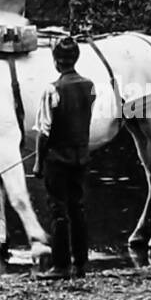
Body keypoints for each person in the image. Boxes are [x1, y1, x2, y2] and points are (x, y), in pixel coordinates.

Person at [31, 36, 96, 279]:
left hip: (58, 160)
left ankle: (60, 266)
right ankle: (80, 263)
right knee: (77, 208)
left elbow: (44, 131)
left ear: (56, 61)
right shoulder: (90, 86)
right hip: (81, 157)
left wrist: (38, 162)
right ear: (76, 59)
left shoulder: (52, 89)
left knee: (58, 210)